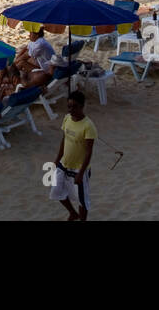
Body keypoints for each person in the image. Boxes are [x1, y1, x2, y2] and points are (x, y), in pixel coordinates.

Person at [51, 91, 96, 221]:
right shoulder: (67, 118)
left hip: (79, 168)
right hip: (64, 164)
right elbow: (64, 140)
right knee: (56, 191)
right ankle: (73, 213)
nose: (71, 110)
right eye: (69, 106)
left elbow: (89, 152)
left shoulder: (88, 126)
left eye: (74, 106)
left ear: (82, 106)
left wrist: (81, 173)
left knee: (82, 200)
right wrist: (56, 160)